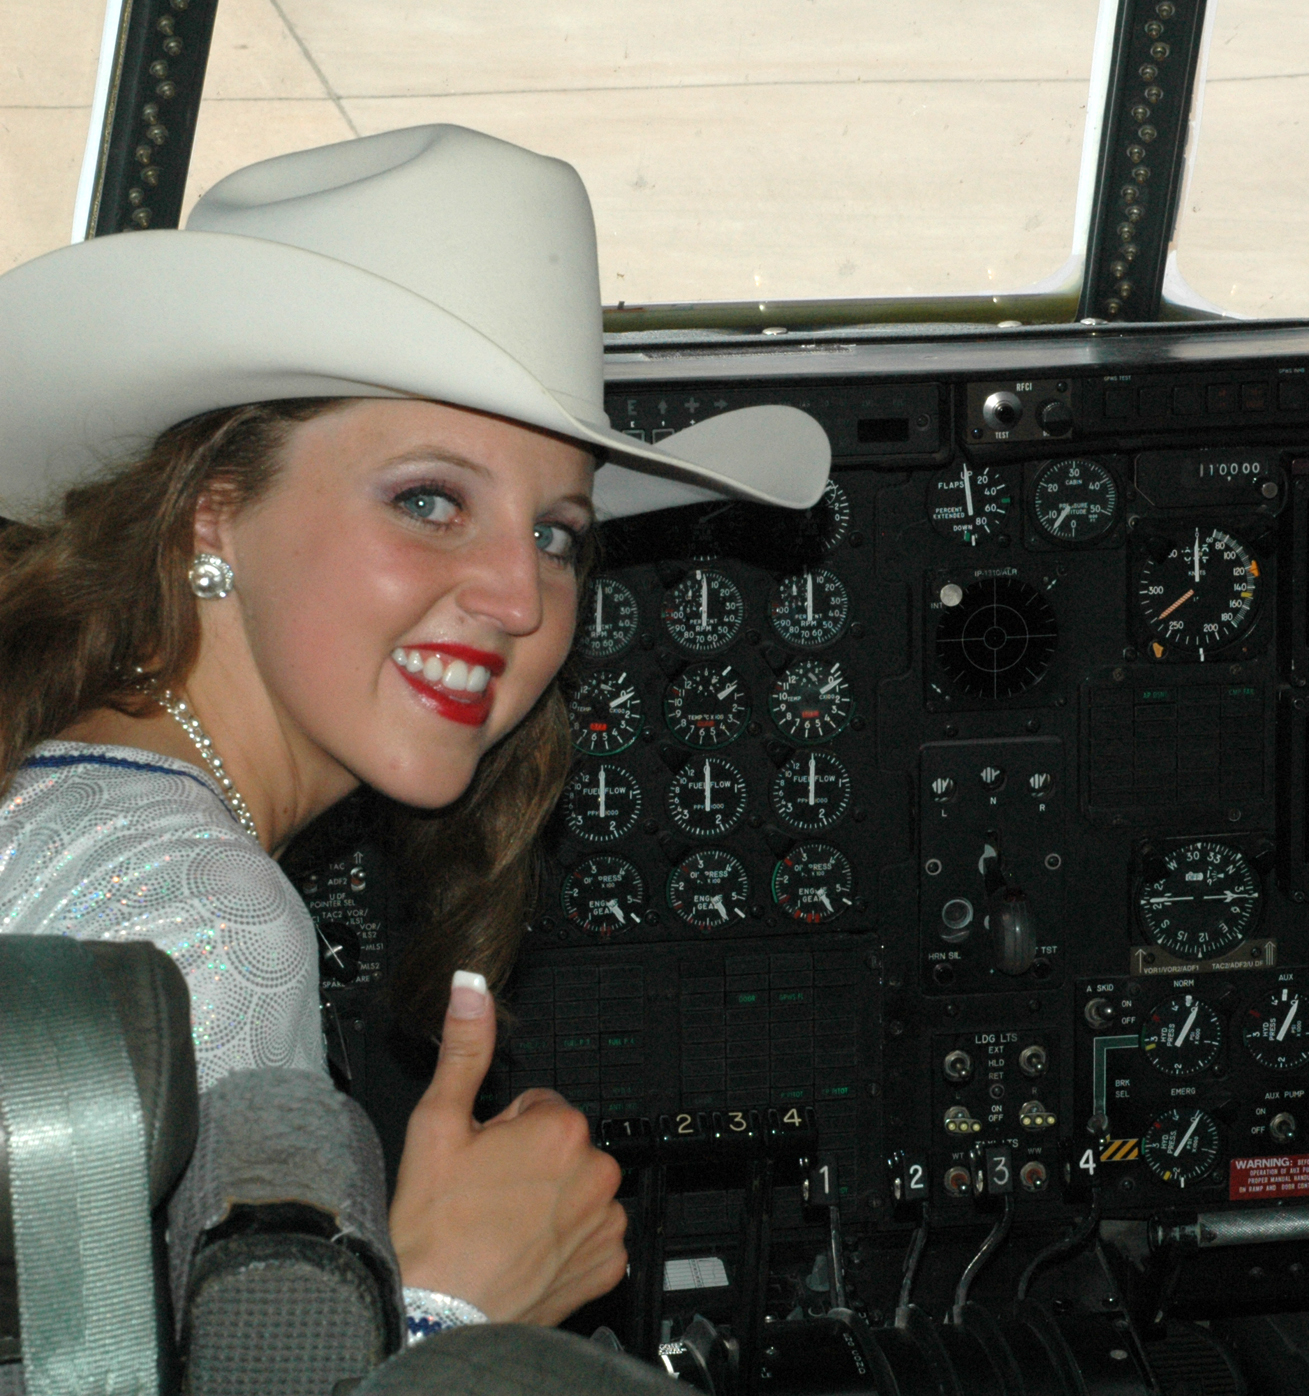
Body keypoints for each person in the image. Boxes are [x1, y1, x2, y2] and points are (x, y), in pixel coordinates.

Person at [0, 125, 829, 1335]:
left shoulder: (56, 784)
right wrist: (444, 1308)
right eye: (430, 501)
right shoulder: (210, 931)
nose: (520, 597)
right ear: (212, 517)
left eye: (557, 532)